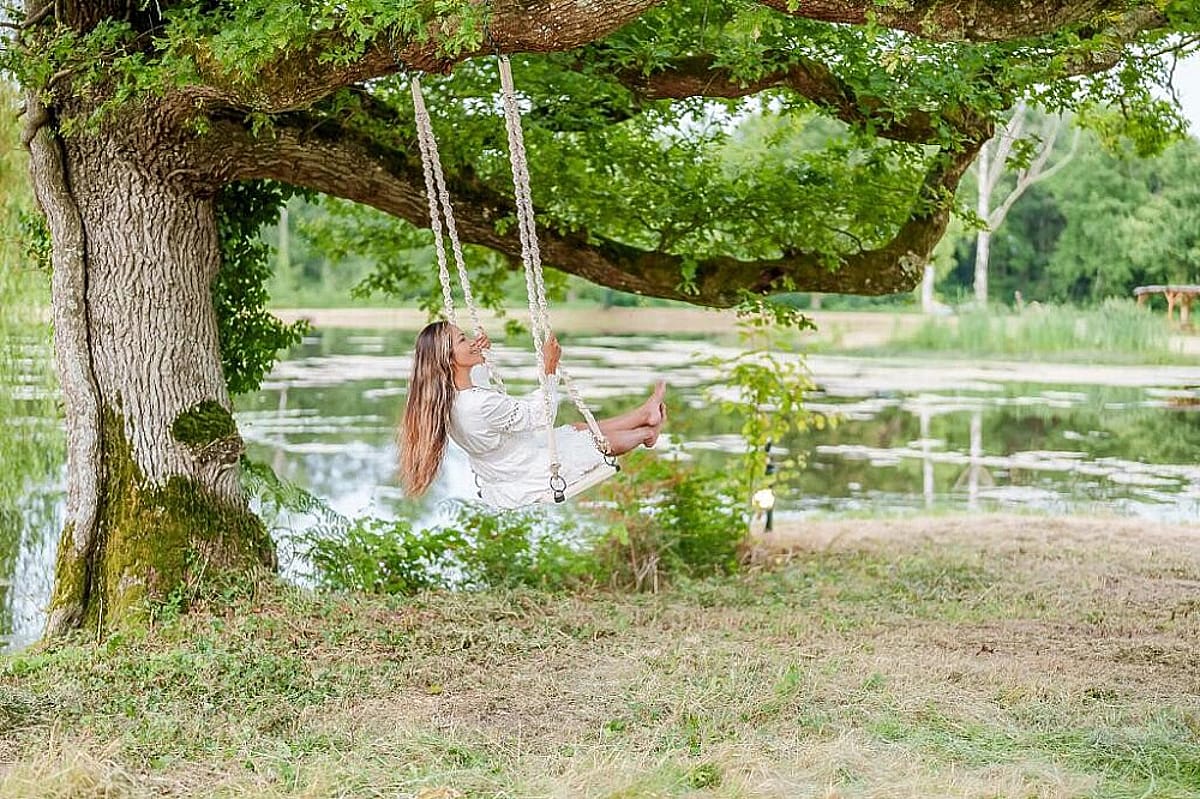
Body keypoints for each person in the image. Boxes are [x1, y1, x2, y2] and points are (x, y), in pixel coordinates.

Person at [399, 320, 666, 507]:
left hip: (507, 462)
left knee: (577, 428)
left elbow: (477, 384)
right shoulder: (479, 404)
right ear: (448, 358)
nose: (471, 340)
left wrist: (478, 352)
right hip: (526, 470)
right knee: (593, 444)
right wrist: (549, 368)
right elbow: (542, 416)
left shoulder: (449, 397)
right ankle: (646, 432)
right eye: (463, 340)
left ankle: (645, 414)